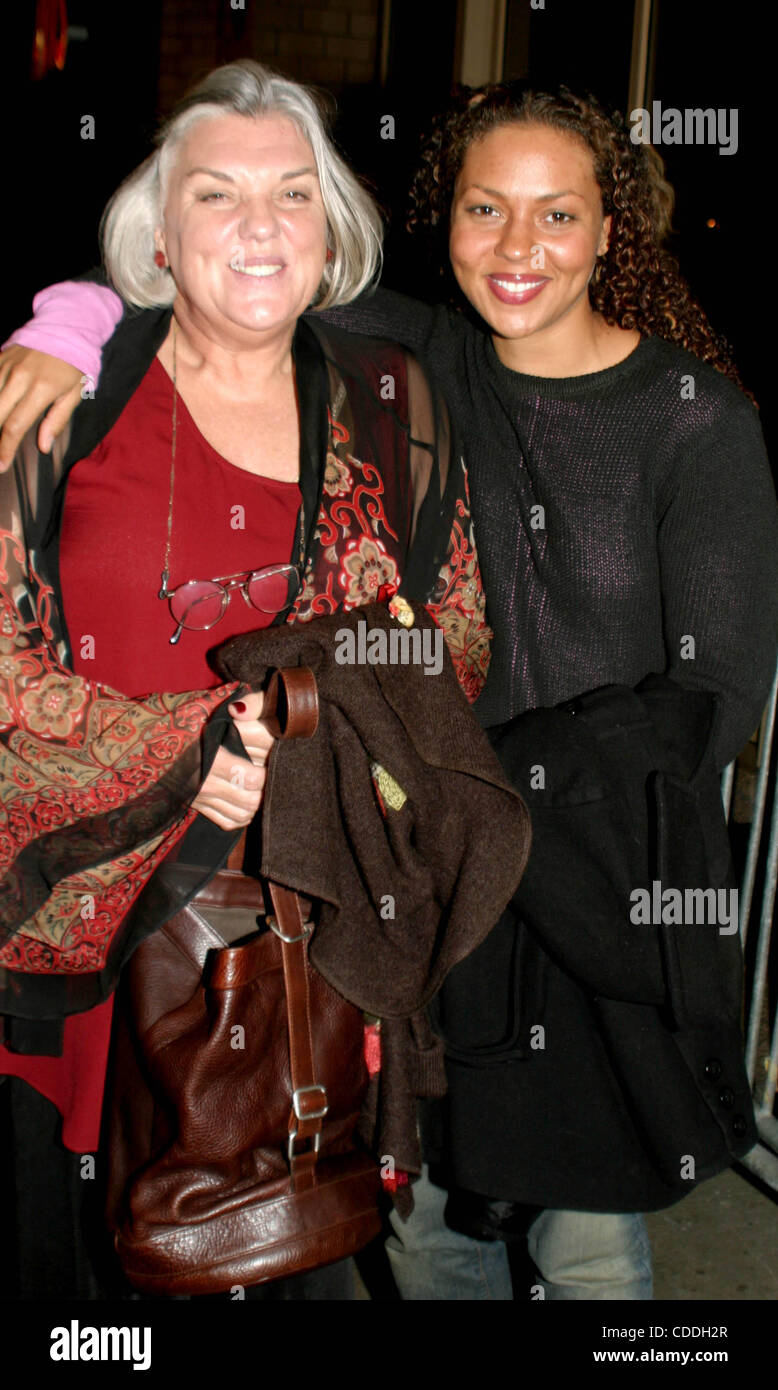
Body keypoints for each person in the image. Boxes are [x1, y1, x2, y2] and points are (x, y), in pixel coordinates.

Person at [2, 80, 776, 1302]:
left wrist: (488, 773)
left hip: (573, 869)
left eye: (557, 215)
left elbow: (714, 696)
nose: (518, 249)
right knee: (417, 1219)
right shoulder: (425, 358)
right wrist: (70, 314)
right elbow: (233, 266)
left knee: (583, 1237)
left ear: (607, 231)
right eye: (485, 210)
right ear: (446, 221)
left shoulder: (695, 423)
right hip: (413, 868)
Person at [0, 60, 493, 1300]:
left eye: (293, 192)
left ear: (329, 233)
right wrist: (183, 756)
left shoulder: (395, 404)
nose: (261, 225)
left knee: (276, 1251)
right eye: (217, 195)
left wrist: (300, 735)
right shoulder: (66, 397)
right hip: (81, 924)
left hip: (295, 931)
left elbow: (452, 640)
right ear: (158, 239)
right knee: (74, 1279)